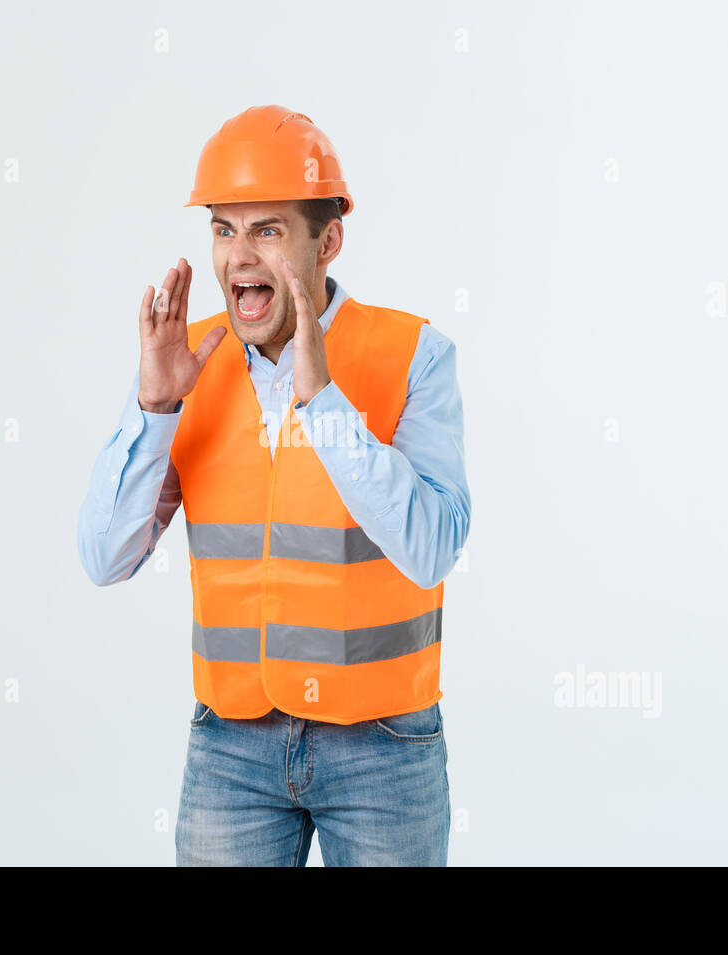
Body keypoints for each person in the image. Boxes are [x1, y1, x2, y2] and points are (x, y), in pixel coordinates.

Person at [77, 106, 471, 866]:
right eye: (224, 229)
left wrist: (324, 405)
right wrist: (156, 408)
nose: (239, 256)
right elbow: (103, 557)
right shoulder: (185, 363)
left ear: (327, 240)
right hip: (231, 750)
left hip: (384, 747)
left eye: (267, 230)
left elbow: (431, 548)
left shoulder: (414, 354)